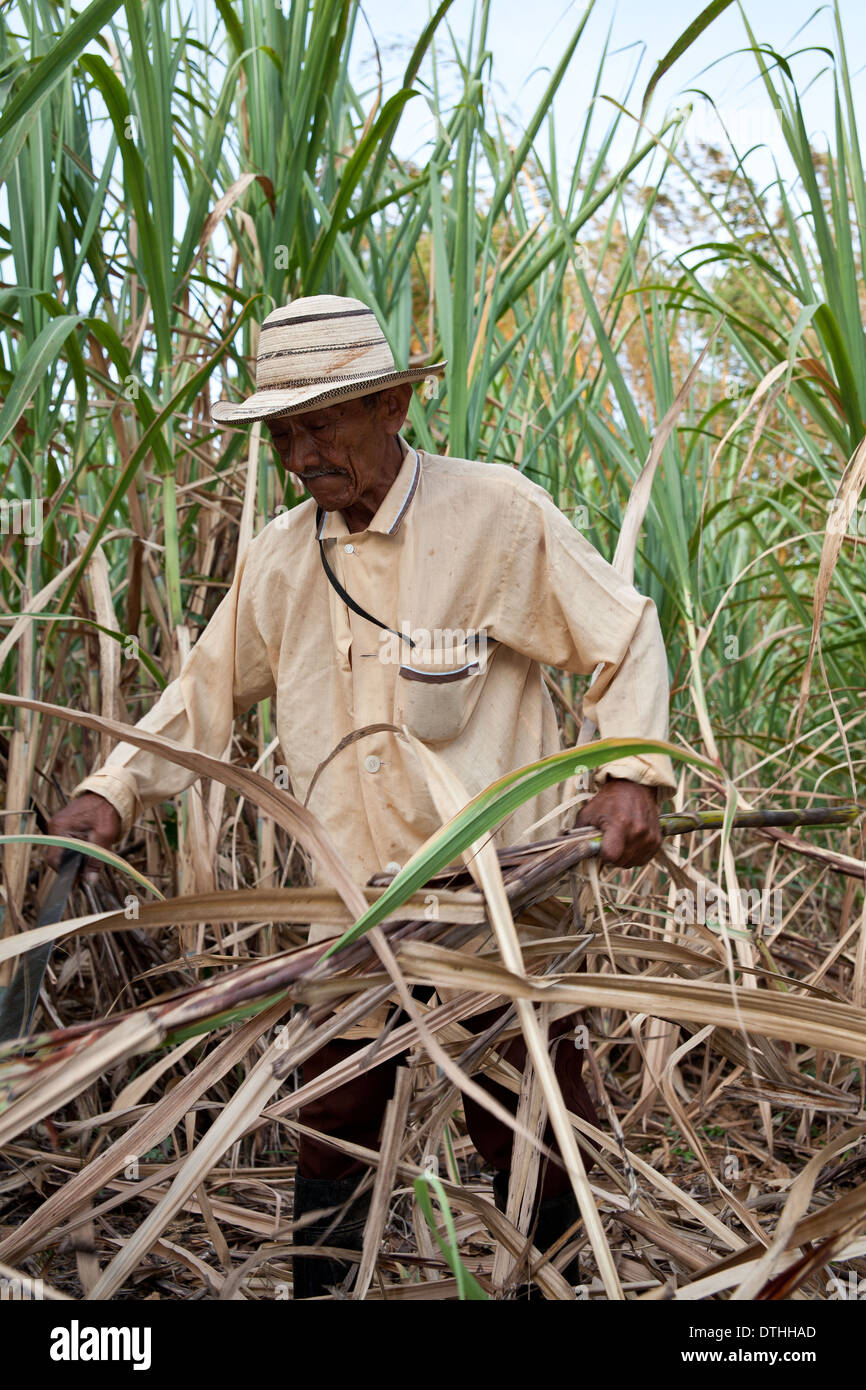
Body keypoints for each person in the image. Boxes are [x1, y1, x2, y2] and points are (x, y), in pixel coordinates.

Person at [46, 294, 676, 1297]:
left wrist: (627, 773)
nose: (301, 450)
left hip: (493, 904)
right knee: (332, 1118)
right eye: (285, 430)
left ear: (391, 401)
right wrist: (115, 788)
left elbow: (622, 634)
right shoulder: (281, 560)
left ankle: (562, 1286)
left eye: (322, 419)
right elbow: (203, 696)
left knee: (526, 1121)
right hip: (350, 904)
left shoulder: (492, 515)